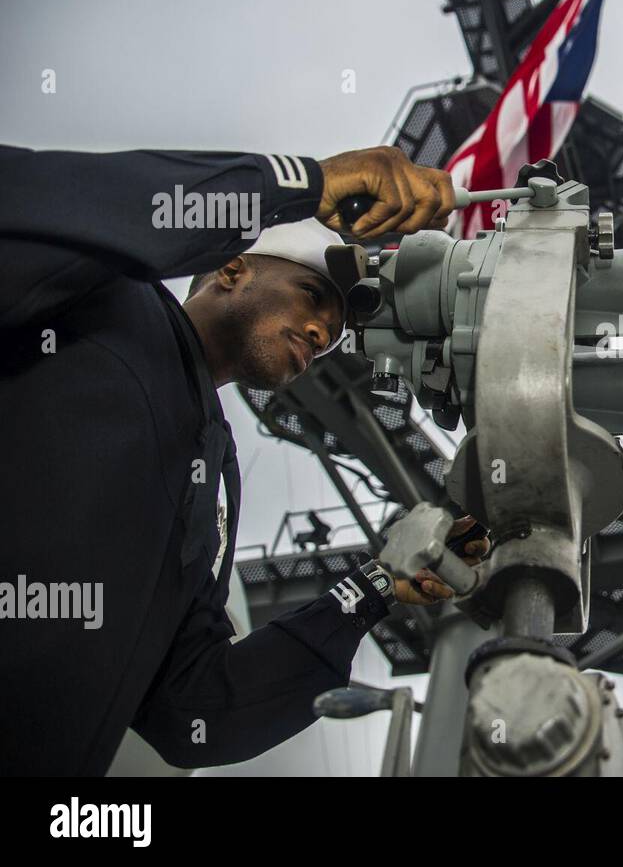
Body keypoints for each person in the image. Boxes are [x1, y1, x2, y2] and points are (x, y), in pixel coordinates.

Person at [0, 143, 482, 775]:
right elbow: (40, 199)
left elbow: (194, 710)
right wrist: (301, 184)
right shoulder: (103, 299)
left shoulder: (215, 474)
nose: (321, 333)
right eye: (311, 294)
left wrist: (372, 588)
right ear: (231, 269)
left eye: (336, 330)